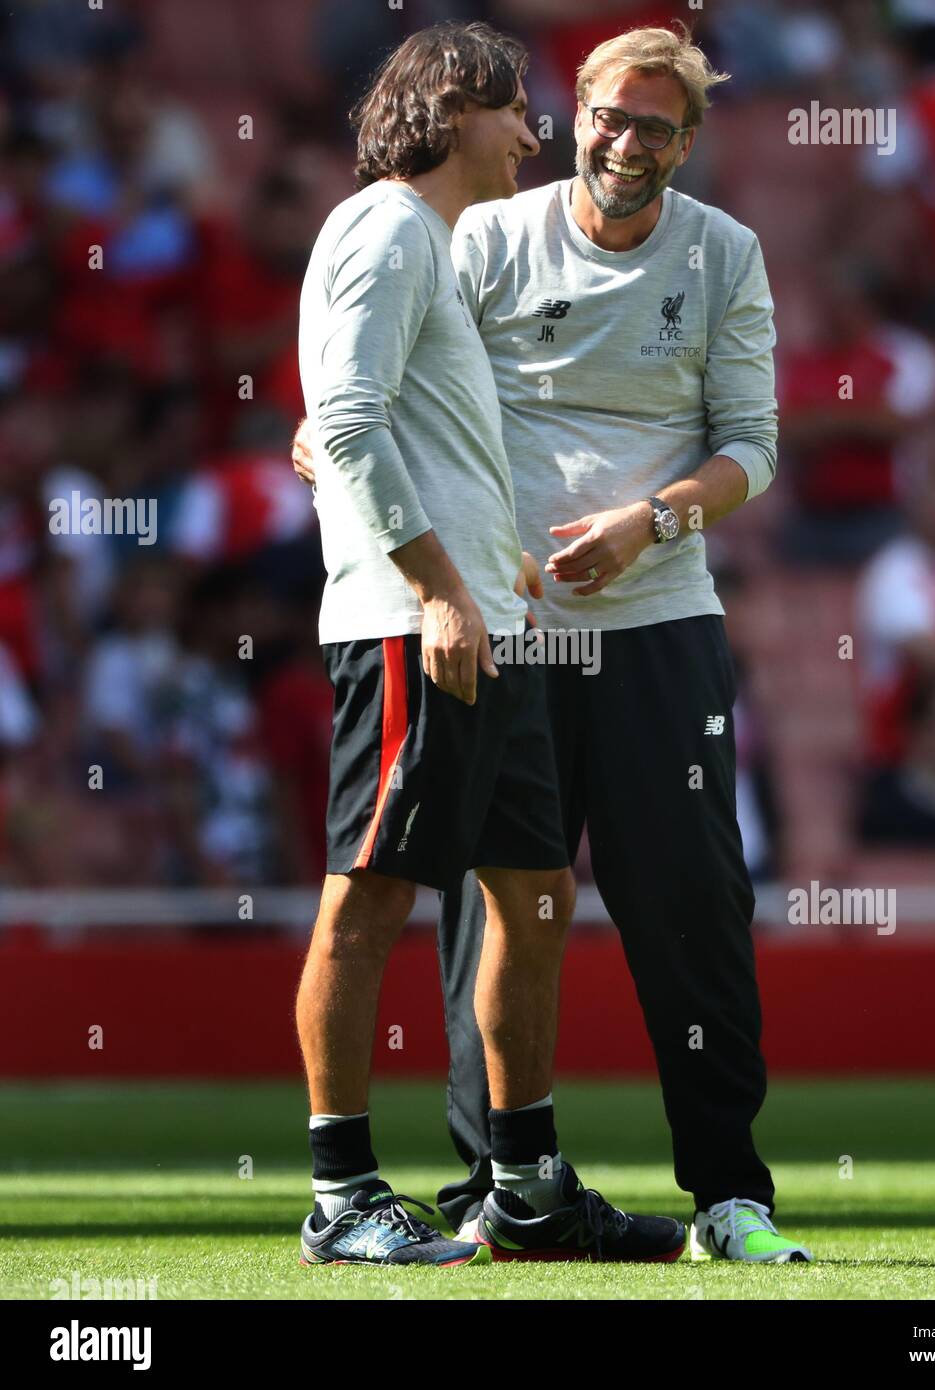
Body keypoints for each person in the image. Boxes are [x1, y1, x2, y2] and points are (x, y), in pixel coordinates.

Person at [295, 22, 812, 1263]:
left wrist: (652, 519)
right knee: (484, 908)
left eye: (655, 126)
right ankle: (497, 1179)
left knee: (679, 904)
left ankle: (728, 1192)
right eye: (604, 115)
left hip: (651, 618)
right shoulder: (461, 232)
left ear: (687, 142)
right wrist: (329, 452)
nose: (621, 143)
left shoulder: (723, 255)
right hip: (488, 618)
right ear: (575, 111)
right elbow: (358, 397)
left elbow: (754, 445)